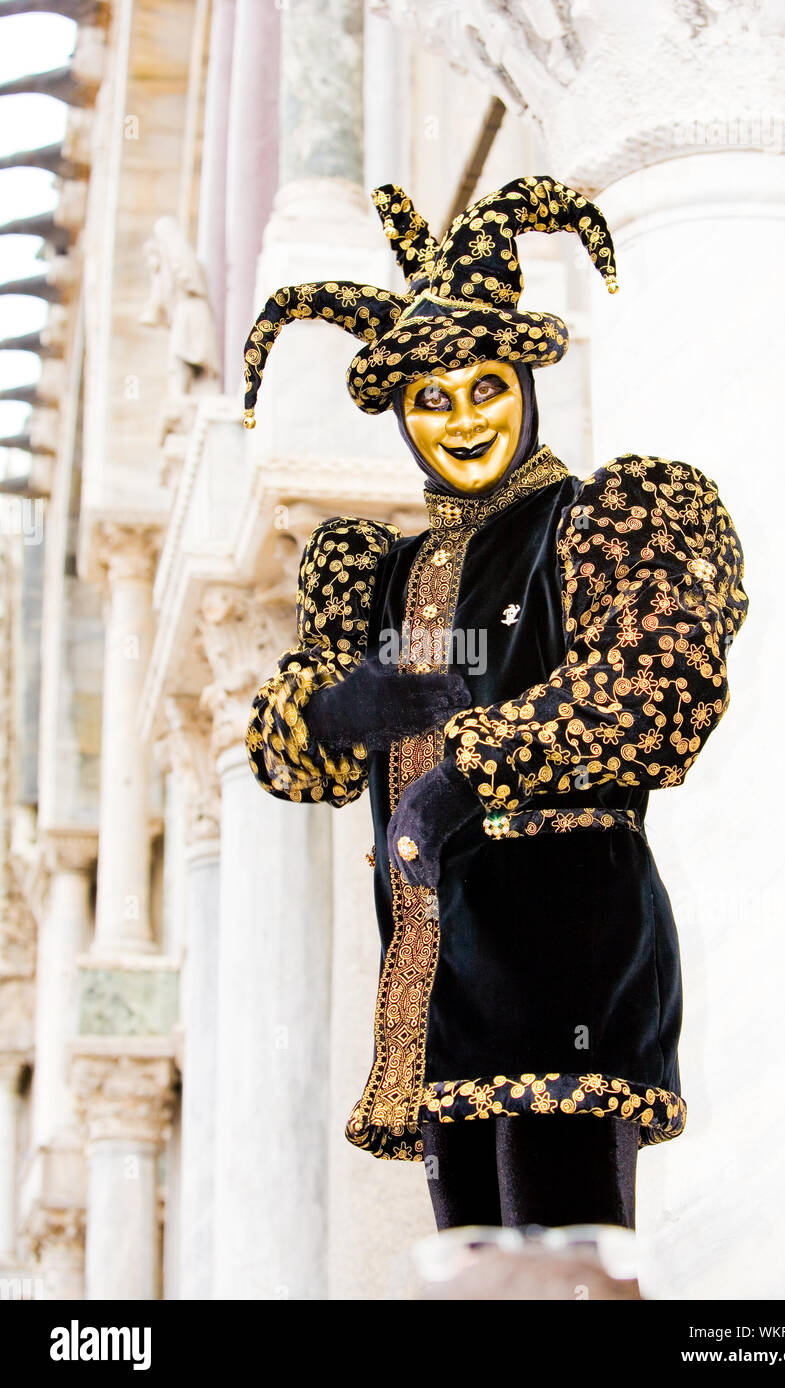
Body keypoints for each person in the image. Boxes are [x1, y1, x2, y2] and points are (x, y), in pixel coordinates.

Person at [243, 175, 749, 1233]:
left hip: (570, 958)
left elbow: (658, 686)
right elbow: (297, 757)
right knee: (475, 1267)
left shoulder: (596, 518)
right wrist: (346, 708)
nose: (462, 418)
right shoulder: (377, 575)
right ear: (401, 418)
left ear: (523, 384)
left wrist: (461, 770)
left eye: (484, 387)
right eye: (431, 400)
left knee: (563, 1263)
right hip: (438, 986)